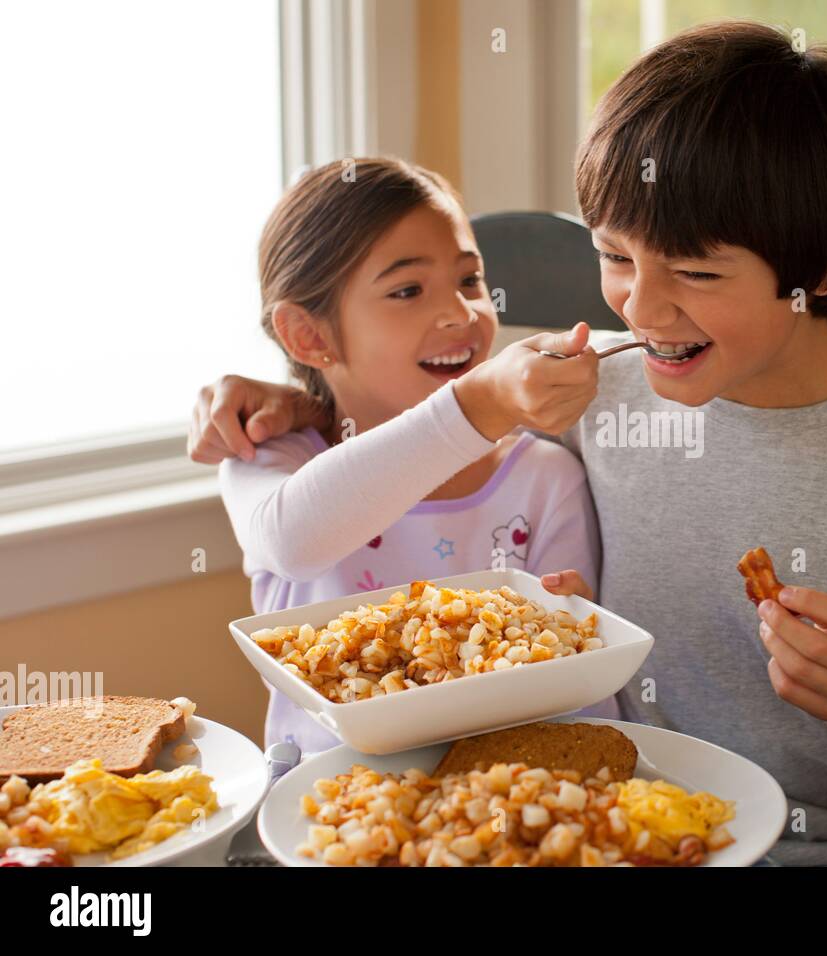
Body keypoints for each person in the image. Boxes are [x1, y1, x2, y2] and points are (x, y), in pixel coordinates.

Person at [191, 22, 827, 864]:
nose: (642, 309)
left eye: (697, 274)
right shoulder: (601, 394)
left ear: (814, 272)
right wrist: (296, 398)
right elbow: (401, 423)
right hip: (634, 828)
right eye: (613, 255)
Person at [213, 157, 611, 754]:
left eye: (471, 281)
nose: (461, 313)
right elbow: (293, 542)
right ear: (309, 336)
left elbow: (585, 706)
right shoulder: (266, 456)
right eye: (407, 290)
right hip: (319, 816)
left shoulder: (545, 480)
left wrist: (571, 644)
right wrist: (477, 406)